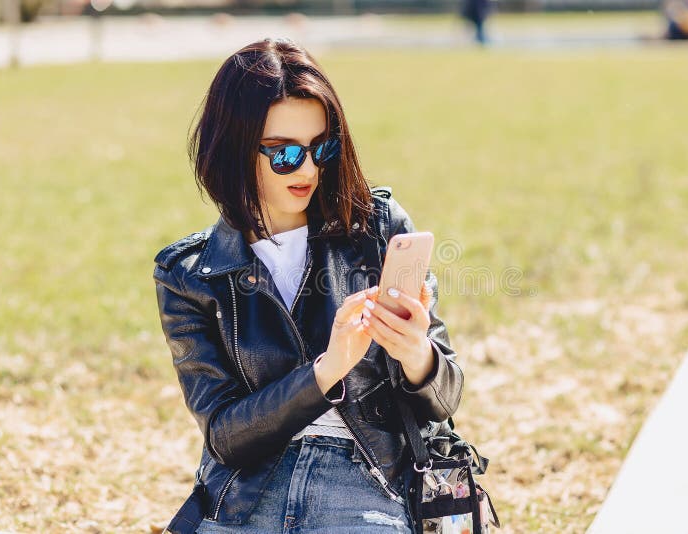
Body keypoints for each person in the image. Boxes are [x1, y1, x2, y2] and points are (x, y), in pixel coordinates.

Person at [152, 37, 464, 534]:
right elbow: (226, 437)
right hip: (248, 493)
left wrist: (416, 354)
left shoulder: (378, 229)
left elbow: (446, 398)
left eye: (323, 148)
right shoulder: (189, 273)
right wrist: (328, 369)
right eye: (284, 154)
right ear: (233, 149)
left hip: (367, 479)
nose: (309, 169)